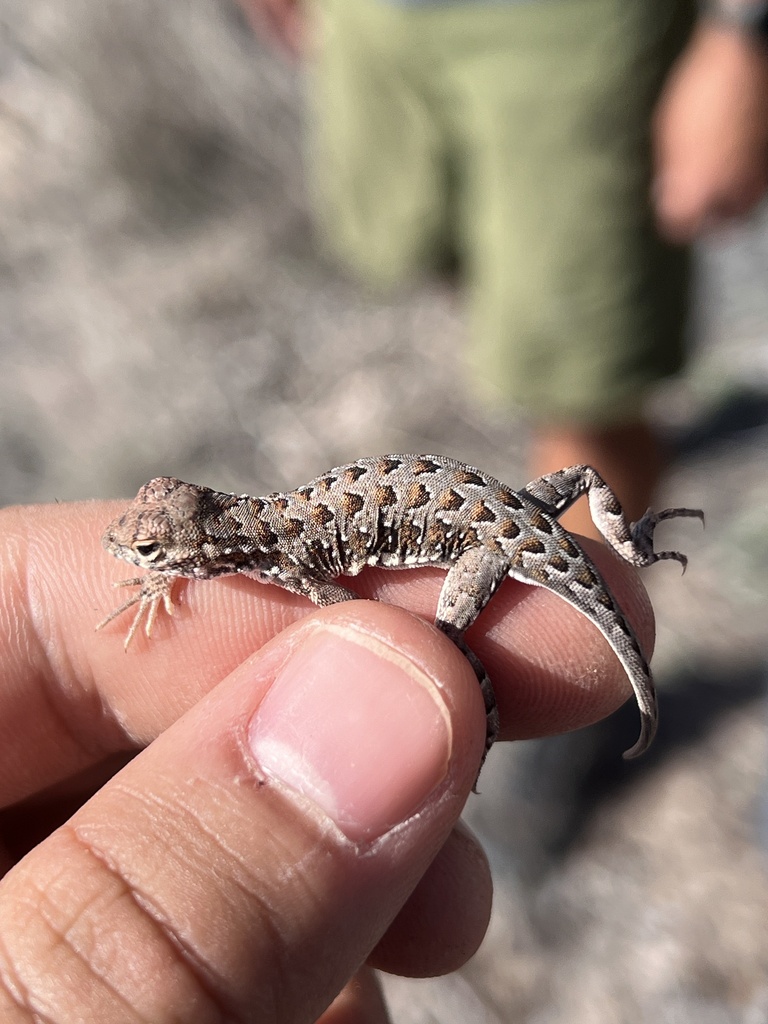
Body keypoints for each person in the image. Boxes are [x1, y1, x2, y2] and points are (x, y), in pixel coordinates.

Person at [0, 499, 652, 1021]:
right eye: (150, 549)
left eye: (151, 551)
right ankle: (630, 546)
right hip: (503, 508)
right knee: (579, 482)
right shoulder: (253, 537)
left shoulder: (282, 559)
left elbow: (347, 610)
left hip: (485, 544)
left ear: (211, 552)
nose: (136, 555)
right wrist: (159, 573)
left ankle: (477, 698)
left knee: (444, 646)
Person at [238, 0, 768, 540]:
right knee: (396, 247)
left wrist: (744, 33)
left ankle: (581, 573)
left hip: (568, 34)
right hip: (367, 21)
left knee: (582, 390)